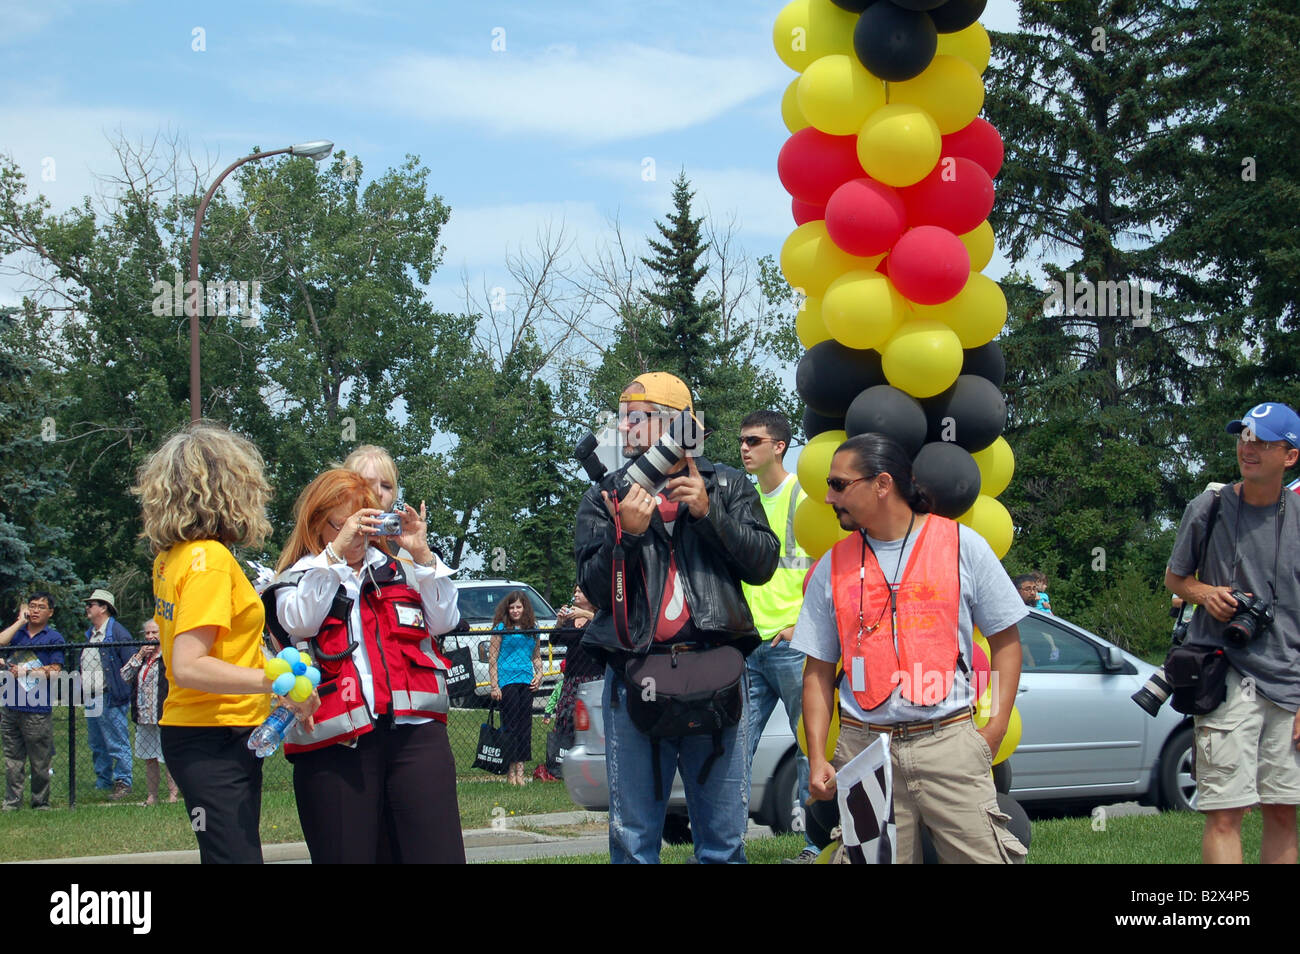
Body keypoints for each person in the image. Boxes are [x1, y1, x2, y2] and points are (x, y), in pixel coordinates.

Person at [575, 372, 779, 864]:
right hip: (637, 675)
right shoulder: (607, 497)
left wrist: (710, 514)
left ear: (675, 426)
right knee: (633, 839)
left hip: (717, 674)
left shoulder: (725, 483)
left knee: (723, 842)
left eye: (636, 418)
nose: (624, 429)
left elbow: (763, 563)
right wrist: (625, 534)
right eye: (621, 419)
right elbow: (596, 590)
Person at [795, 433, 1028, 864]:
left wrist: (994, 727)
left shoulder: (963, 545)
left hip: (949, 742)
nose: (828, 497)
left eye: (839, 484)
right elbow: (818, 671)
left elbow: (1006, 642)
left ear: (882, 484)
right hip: (864, 751)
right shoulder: (833, 564)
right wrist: (816, 757)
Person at [132, 421, 318, 864]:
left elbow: (220, 649)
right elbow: (190, 665)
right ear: (227, 488)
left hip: (206, 734)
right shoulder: (209, 560)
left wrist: (284, 694)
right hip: (211, 737)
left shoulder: (172, 557)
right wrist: (274, 683)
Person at [265, 468, 465, 864]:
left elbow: (444, 619)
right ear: (319, 523)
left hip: (414, 734)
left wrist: (422, 554)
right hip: (337, 741)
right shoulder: (297, 577)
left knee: (436, 852)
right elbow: (302, 621)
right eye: (344, 525)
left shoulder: (400, 569)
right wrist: (335, 556)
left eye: (365, 522)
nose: (358, 535)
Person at [1164, 401, 1300, 864]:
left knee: (1283, 813)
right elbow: (1175, 580)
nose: (1249, 448)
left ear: (1291, 456)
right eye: (1244, 438)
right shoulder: (1210, 506)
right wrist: (1205, 594)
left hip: (1290, 685)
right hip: (1224, 679)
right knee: (1225, 814)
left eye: (1263, 442)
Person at [738, 409, 817, 863]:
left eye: (754, 440)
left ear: (779, 446)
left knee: (810, 746)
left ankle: (815, 846)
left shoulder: (801, 497)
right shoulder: (741, 499)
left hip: (792, 645)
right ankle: (728, 848)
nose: (745, 448)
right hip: (749, 646)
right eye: (742, 441)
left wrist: (801, 625)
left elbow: (823, 566)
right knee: (734, 750)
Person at [0, 593, 65, 811]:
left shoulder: (53, 637)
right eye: (32, 606)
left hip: (36, 707)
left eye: (41, 607)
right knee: (12, 759)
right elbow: (1, 642)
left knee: (40, 760)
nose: (35, 611)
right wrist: (20, 621)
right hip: (10, 704)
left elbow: (55, 670)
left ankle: (40, 803)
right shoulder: (17, 634)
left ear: (50, 612)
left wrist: (26, 671)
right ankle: (12, 802)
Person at [80, 588, 135, 799]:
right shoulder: (91, 635)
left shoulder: (117, 633)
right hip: (91, 696)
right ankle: (103, 781)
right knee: (96, 743)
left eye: (91, 604)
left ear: (103, 607)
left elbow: (130, 664)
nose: (87, 607)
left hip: (109, 696)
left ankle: (123, 782)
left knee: (116, 740)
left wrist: (121, 689)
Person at [120, 619, 179, 805]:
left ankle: (173, 796)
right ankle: (152, 796)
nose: (150, 637)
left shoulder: (169, 656)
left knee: (168, 757)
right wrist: (138, 656)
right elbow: (125, 675)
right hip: (145, 716)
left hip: (164, 715)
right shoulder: (142, 658)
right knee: (149, 758)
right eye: (147, 633)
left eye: (154, 633)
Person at [489, 591, 541, 787]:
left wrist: (540, 674)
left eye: (519, 607)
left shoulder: (533, 629)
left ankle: (521, 771)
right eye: (512, 607)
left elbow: (536, 656)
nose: (515, 610)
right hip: (507, 680)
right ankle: (510, 771)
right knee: (510, 725)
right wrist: (495, 685)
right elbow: (492, 659)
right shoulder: (501, 628)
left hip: (526, 680)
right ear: (507, 609)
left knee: (524, 726)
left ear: (525, 608)